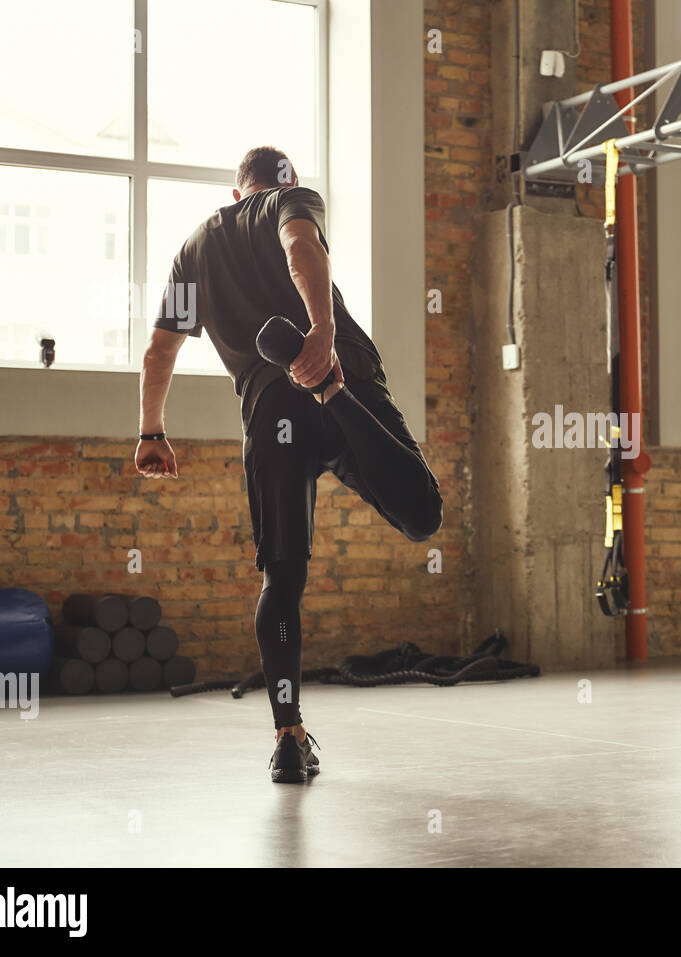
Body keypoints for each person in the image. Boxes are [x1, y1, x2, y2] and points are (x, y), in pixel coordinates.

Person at [134, 146, 442, 783]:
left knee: (282, 577)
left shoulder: (195, 247)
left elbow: (160, 349)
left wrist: (152, 432)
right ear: (285, 181)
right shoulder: (290, 200)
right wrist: (322, 333)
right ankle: (330, 391)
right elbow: (302, 245)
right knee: (422, 517)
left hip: (269, 406)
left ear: (235, 188)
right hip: (340, 369)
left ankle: (289, 737)